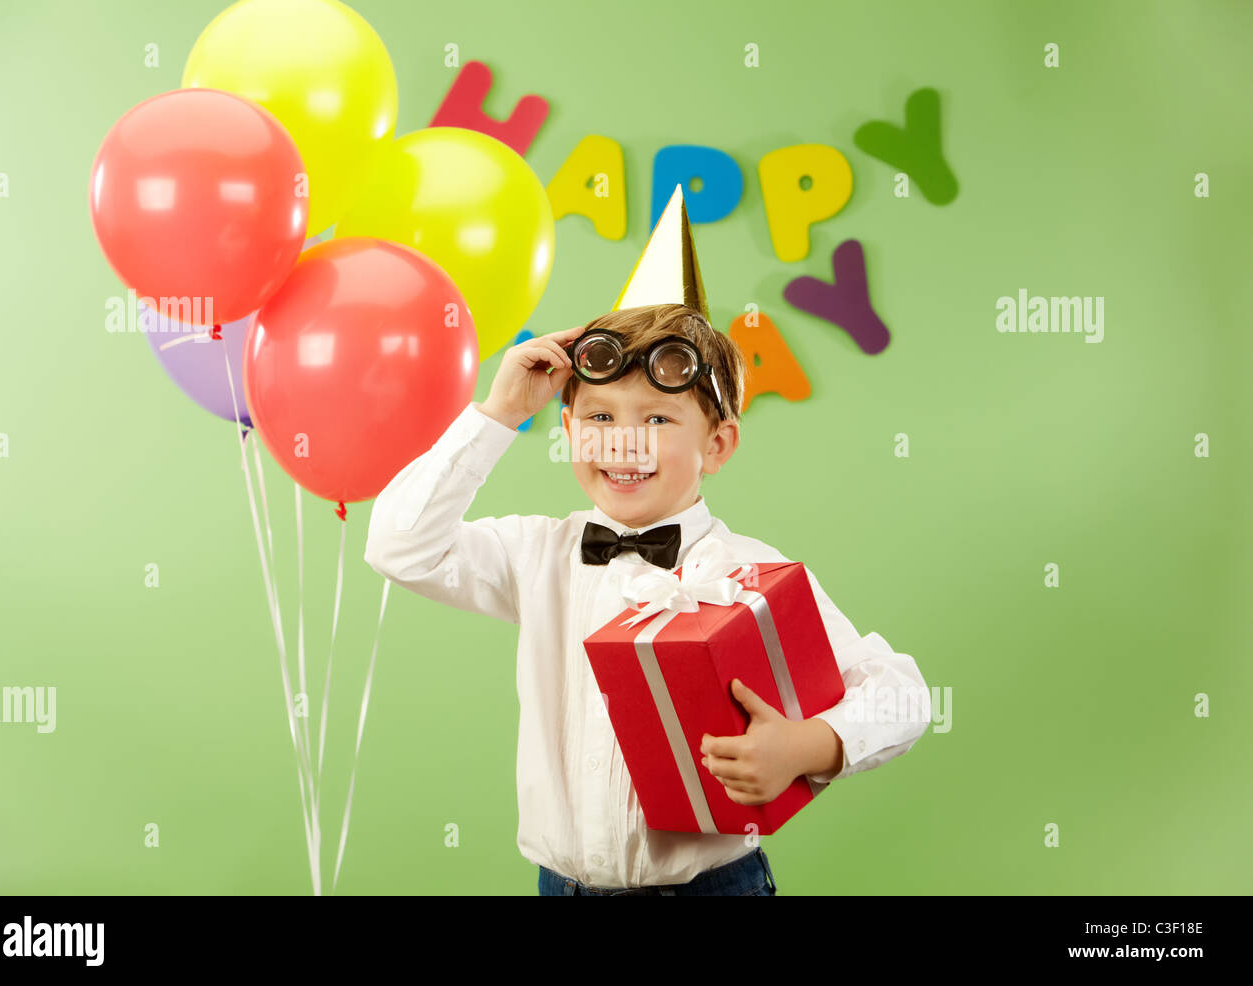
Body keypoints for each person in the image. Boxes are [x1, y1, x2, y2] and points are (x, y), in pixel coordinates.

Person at [363, 187, 929, 895]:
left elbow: (904, 695)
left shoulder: (754, 574)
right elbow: (399, 545)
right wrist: (499, 413)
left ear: (717, 445)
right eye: (599, 416)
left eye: (658, 421)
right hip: (559, 885)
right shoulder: (537, 556)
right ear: (568, 432)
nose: (624, 442)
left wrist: (808, 746)